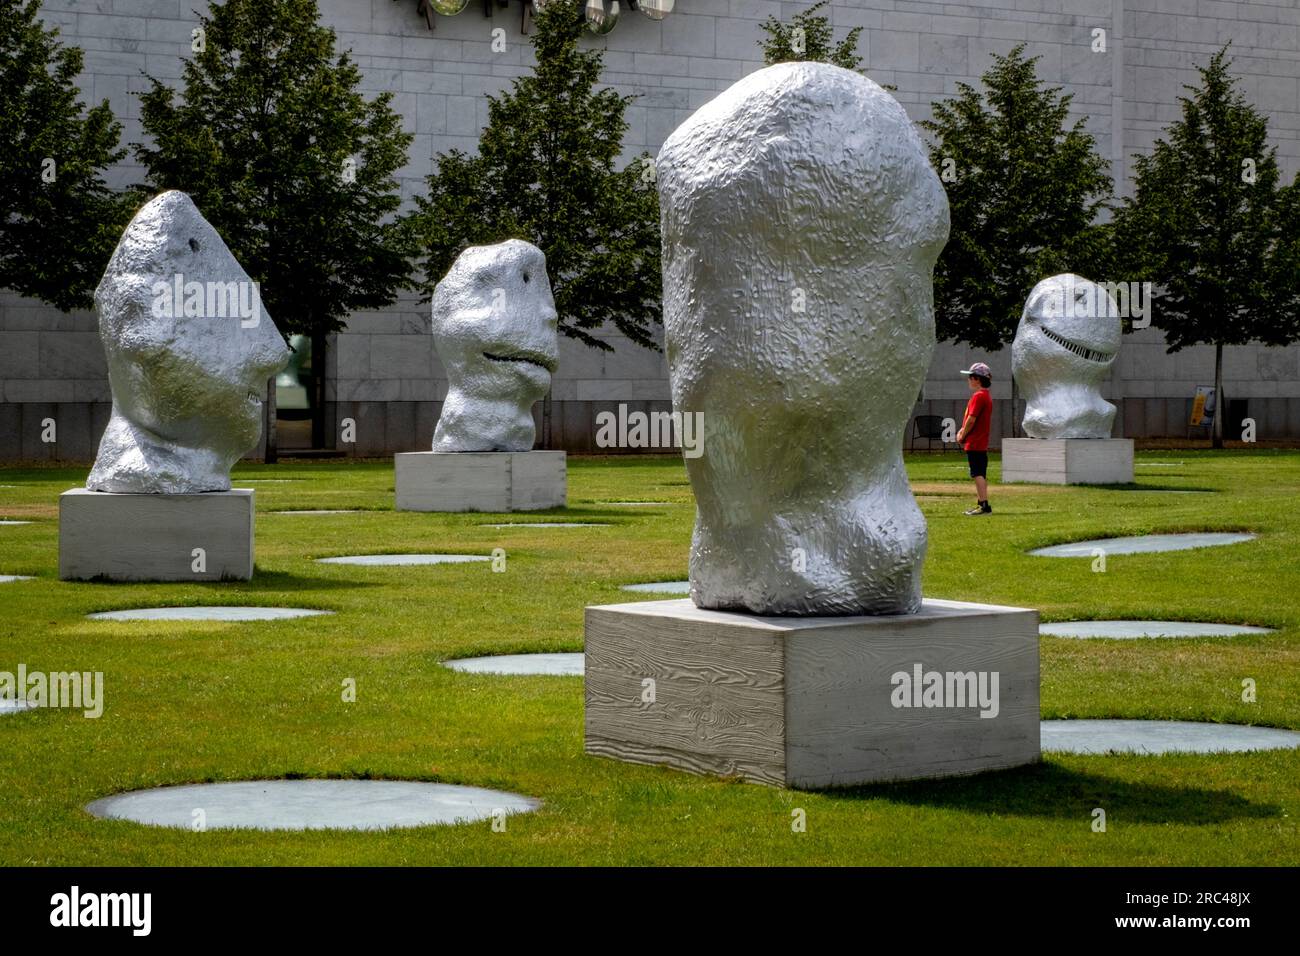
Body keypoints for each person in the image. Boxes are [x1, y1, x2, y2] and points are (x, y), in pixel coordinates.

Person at [956, 362, 993, 515]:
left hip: (975, 442)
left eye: (971, 377)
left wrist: (962, 435)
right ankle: (981, 503)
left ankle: (984, 505)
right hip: (981, 442)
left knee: (977, 473)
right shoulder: (986, 396)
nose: (969, 380)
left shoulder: (978, 396)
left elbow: (971, 419)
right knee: (980, 473)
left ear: (978, 379)